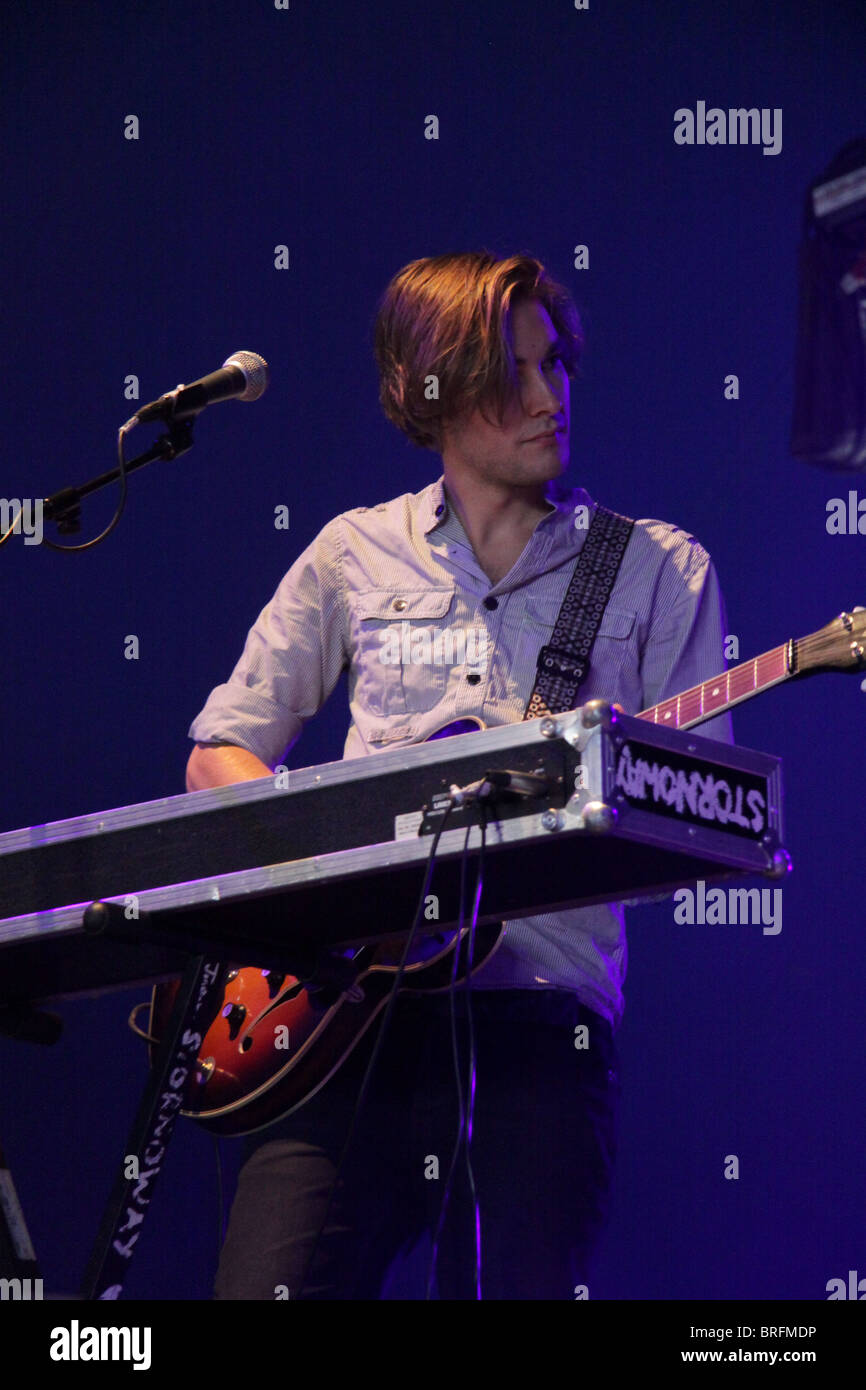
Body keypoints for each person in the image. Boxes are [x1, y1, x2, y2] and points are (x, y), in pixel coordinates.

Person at [186, 250, 734, 1299]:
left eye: (554, 364)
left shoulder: (661, 568)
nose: (547, 396)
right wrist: (324, 881)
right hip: (344, 1020)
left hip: (540, 1028)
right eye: (509, 374)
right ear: (428, 388)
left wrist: (622, 797)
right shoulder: (352, 551)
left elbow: (693, 826)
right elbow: (219, 750)